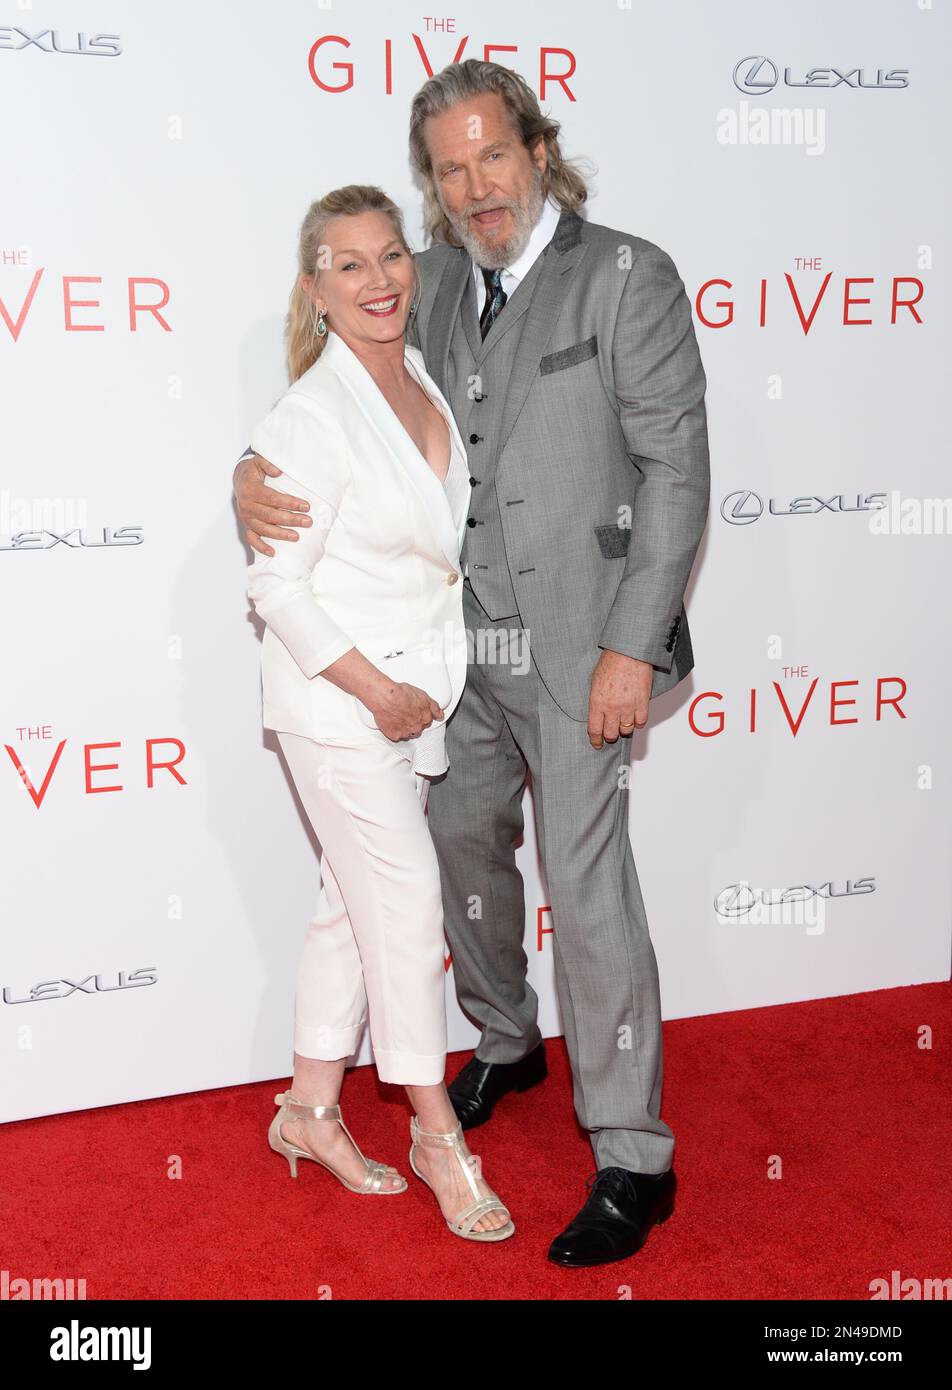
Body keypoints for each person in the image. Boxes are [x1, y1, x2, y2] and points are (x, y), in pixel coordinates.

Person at [236, 59, 710, 1268]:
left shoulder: (626, 276)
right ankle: (505, 1035)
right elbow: (339, 405)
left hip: (580, 651)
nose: (474, 186)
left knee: (585, 884)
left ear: (538, 149)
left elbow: (676, 478)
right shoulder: (429, 280)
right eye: (448, 171)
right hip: (454, 659)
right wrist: (248, 479)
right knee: (458, 856)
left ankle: (631, 1154)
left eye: (492, 156)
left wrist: (628, 646)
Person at [244, 182, 514, 1243]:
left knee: (346, 905)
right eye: (347, 264)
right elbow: (275, 587)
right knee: (403, 907)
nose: (377, 279)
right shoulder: (306, 416)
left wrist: (413, 691)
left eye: (390, 255)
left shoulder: (421, 386)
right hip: (343, 703)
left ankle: (310, 1108)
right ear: (314, 286)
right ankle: (436, 1128)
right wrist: (374, 690)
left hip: (417, 694)